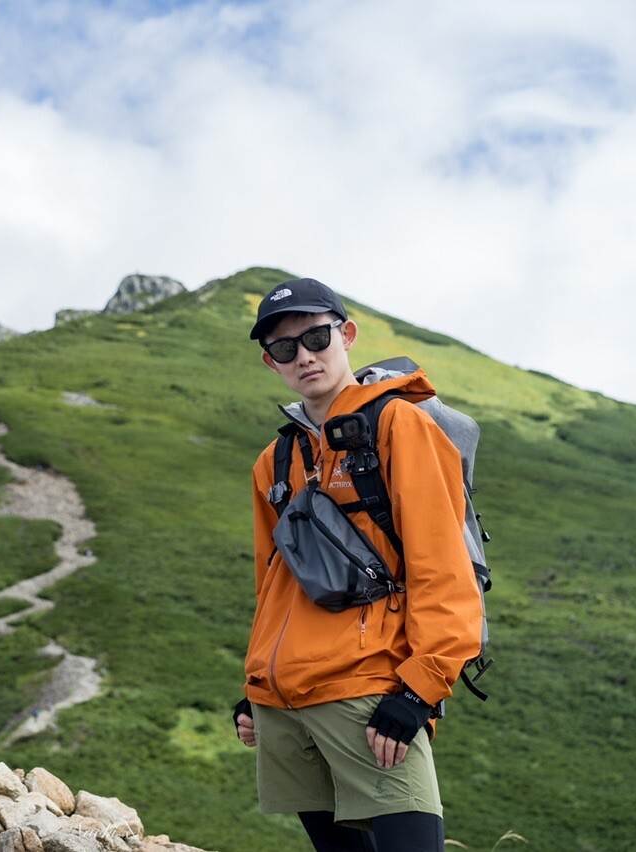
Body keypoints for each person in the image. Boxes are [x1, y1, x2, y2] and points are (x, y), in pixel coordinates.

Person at [233, 279, 484, 851]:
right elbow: (272, 585)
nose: (304, 356)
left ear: (346, 335)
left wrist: (421, 692)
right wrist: (257, 684)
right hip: (283, 706)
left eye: (317, 337)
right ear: (270, 363)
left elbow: (442, 567)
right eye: (284, 349)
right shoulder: (275, 460)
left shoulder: (399, 425)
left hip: (369, 693)